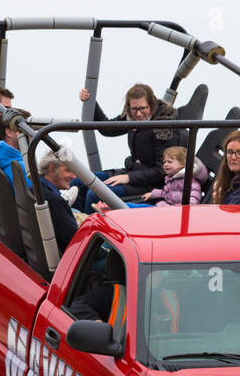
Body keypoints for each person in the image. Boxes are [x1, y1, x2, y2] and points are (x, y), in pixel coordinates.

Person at [74, 83, 187, 211]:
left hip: (150, 183)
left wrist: (129, 178)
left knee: (95, 194)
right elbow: (107, 129)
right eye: (134, 109)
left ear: (151, 104)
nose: (138, 114)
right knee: (79, 183)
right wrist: (91, 101)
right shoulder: (131, 118)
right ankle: (74, 221)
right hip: (132, 172)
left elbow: (162, 171)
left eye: (142, 108)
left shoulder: (164, 128)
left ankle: (90, 228)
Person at [37, 153, 83, 256]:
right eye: (67, 170)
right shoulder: (54, 201)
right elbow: (77, 243)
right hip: (71, 259)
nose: (74, 176)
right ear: (52, 169)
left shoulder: (37, 190)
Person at [143, 146, 209, 206]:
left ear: (182, 163)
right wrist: (153, 194)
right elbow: (167, 193)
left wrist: (176, 209)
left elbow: (193, 200)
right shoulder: (172, 178)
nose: (165, 165)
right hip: (168, 206)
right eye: (164, 162)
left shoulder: (189, 181)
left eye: (169, 162)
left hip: (176, 212)